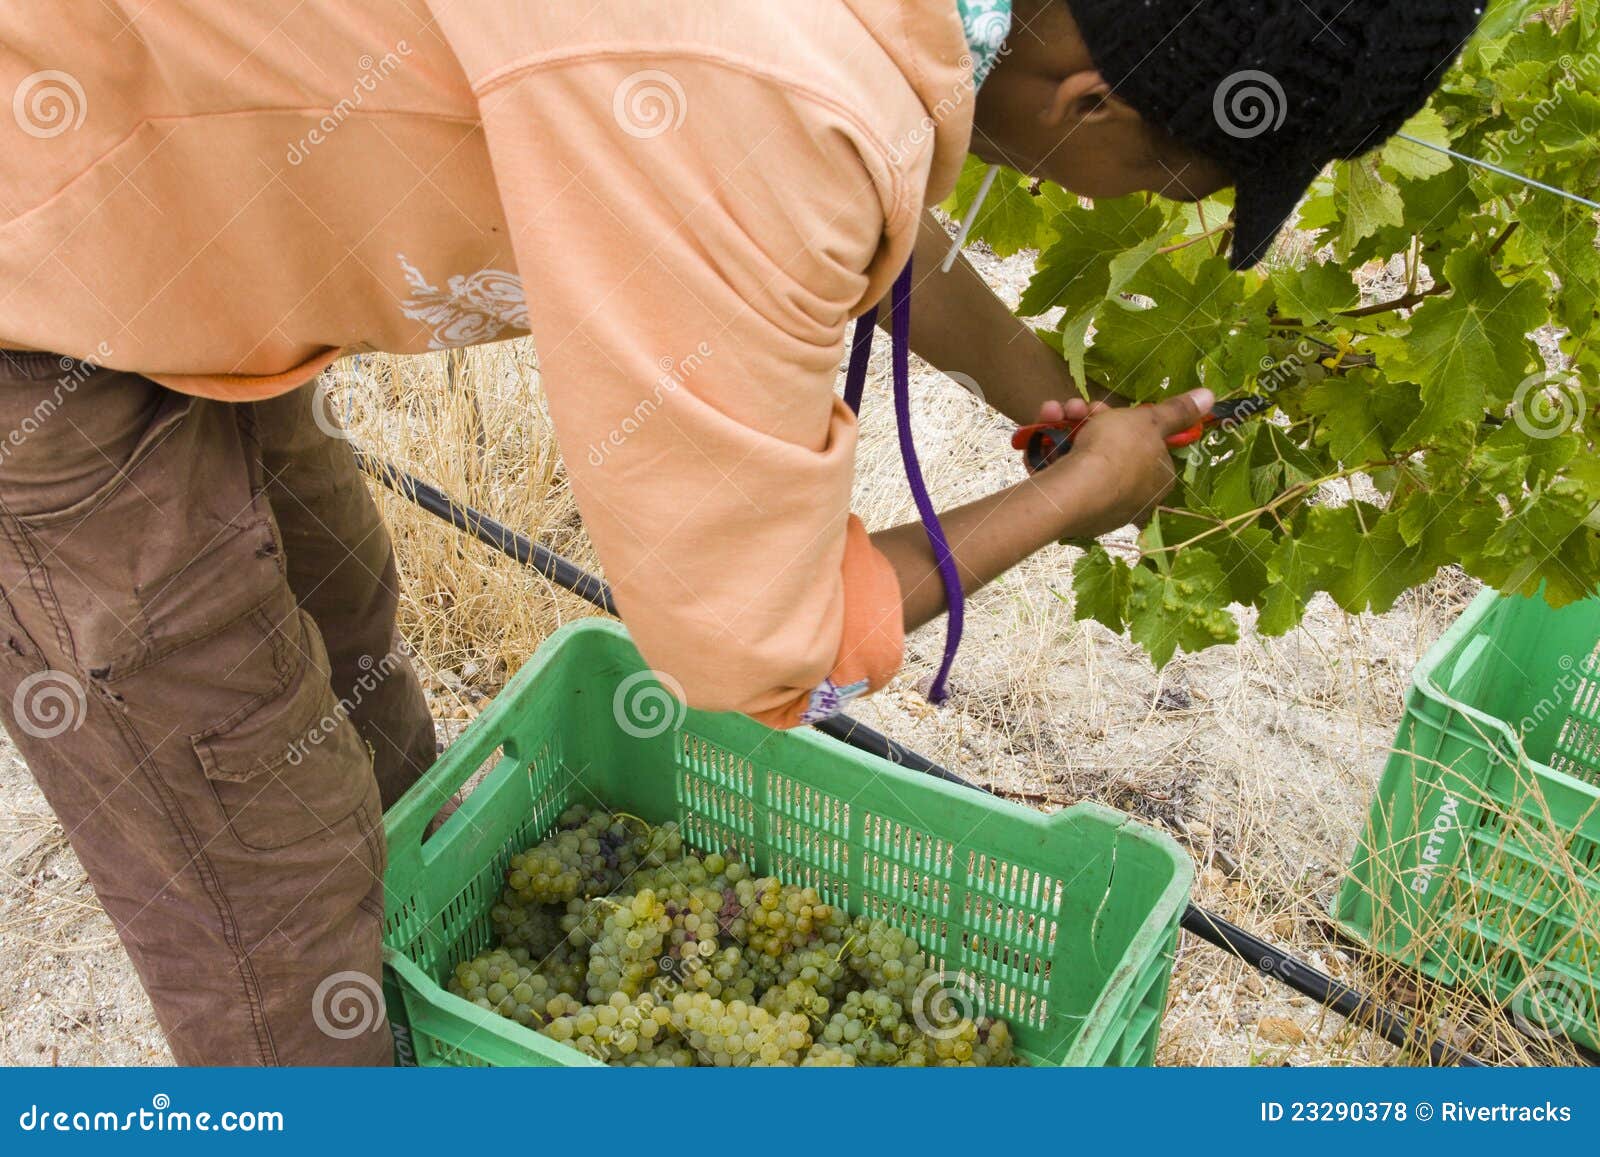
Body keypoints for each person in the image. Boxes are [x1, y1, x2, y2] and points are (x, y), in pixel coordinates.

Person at [0, 0, 1484, 1064]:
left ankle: (440, 989)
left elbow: (843, 175)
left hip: (176, 221)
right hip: (41, 274)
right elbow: (744, 646)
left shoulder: (897, 37)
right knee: (271, 905)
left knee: (347, 623)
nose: (1163, 200)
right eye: (1185, 177)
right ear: (1092, 101)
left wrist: (1027, 382)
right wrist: (1077, 494)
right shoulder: (762, 85)